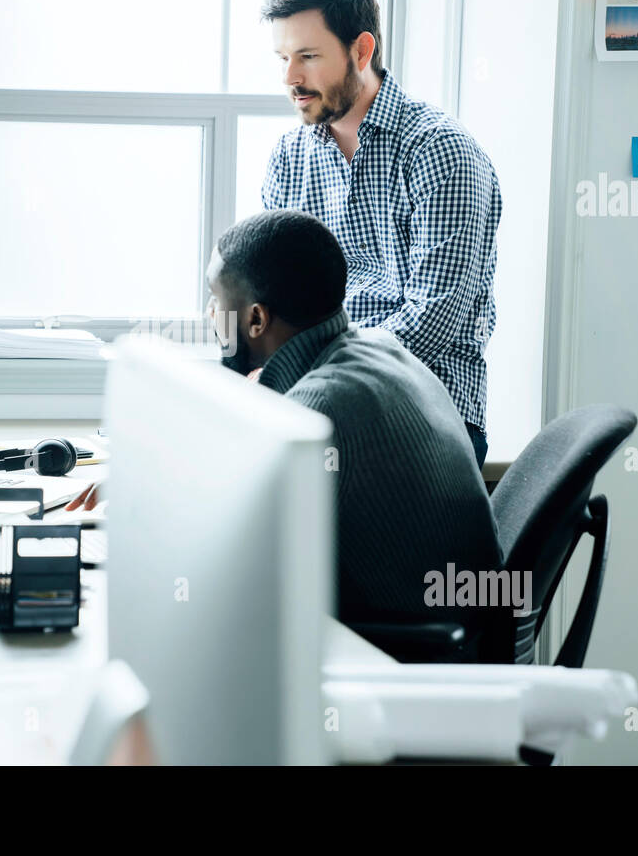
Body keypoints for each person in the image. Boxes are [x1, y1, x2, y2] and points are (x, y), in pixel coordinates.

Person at [71, 210, 499, 624]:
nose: (208, 314)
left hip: (410, 660)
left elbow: (226, 550)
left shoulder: (321, 409)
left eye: (215, 300)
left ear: (256, 319)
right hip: (453, 635)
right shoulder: (374, 350)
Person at [261, 0, 501, 468]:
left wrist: (309, 377)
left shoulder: (440, 151)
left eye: (308, 57)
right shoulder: (289, 156)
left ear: (361, 51)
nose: (290, 79)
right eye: (283, 59)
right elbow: (275, 299)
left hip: (424, 417)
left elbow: (431, 321)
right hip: (316, 408)